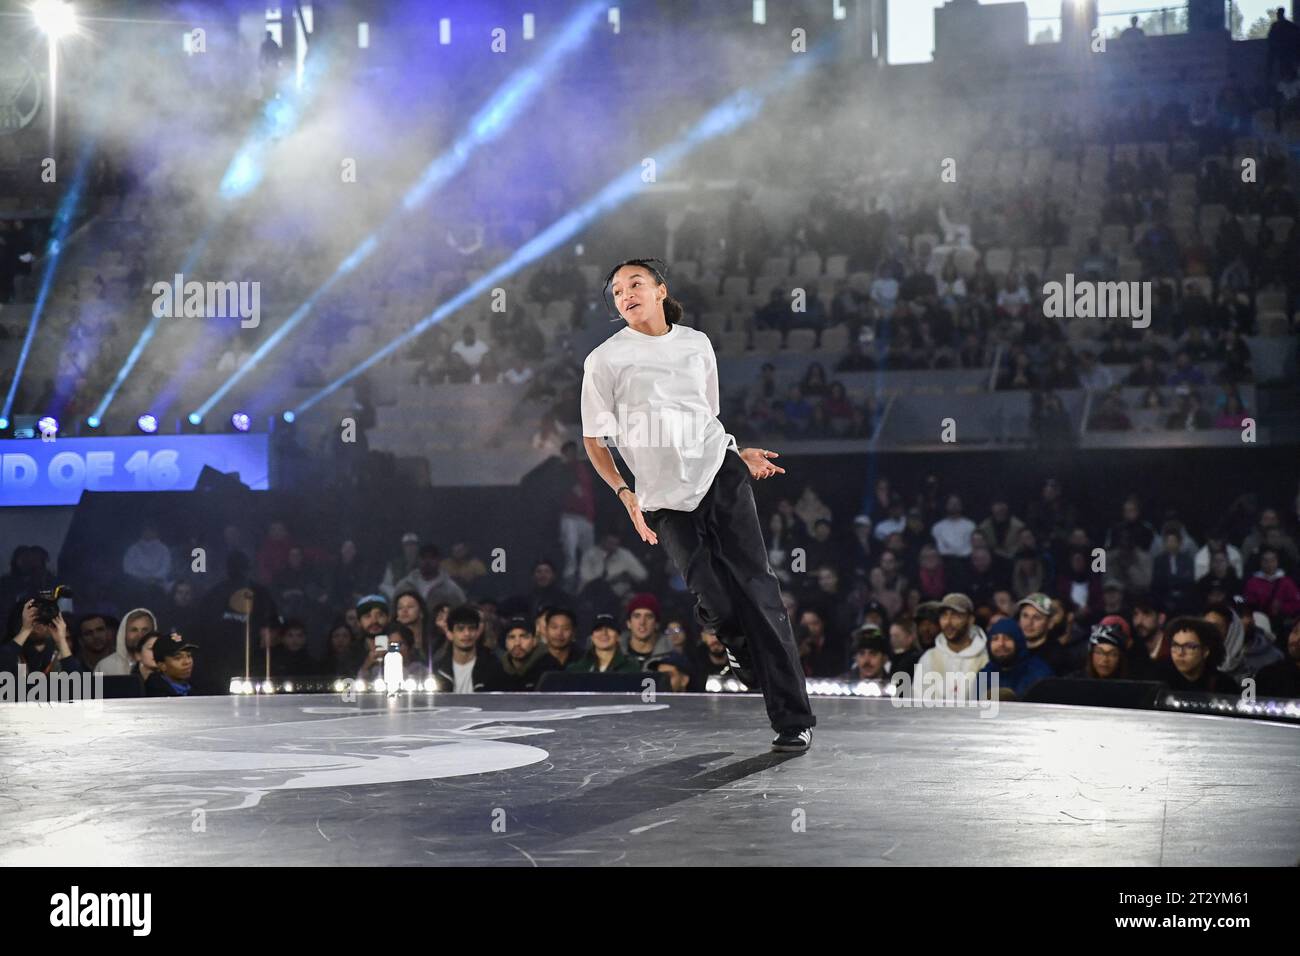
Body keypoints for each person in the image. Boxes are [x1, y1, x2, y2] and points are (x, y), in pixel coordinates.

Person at [581, 258, 815, 753]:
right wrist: (625, 494)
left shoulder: (696, 344)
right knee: (713, 595)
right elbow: (595, 441)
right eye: (617, 291)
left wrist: (734, 453)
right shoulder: (605, 360)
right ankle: (737, 648)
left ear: (661, 290)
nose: (625, 294)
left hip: (720, 474)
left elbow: (706, 416)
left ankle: (792, 720)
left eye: (636, 283)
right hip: (662, 498)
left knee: (760, 591)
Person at [914, 593, 989, 701]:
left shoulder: (984, 658)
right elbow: (918, 699)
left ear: (970, 620)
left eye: (955, 616)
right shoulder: (929, 658)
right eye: (944, 615)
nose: (948, 622)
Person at [1155, 617, 1242, 694]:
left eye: (1189, 646)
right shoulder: (1156, 680)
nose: (1180, 653)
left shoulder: (1224, 685)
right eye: (1175, 645)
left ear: (1205, 651)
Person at [430, 605, 506, 692]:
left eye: (471, 628)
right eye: (460, 629)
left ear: (478, 632)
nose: (467, 633)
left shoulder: (493, 667)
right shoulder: (438, 669)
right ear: (450, 634)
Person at [499, 614, 562, 691]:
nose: (517, 643)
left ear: (534, 640)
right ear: (505, 642)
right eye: (511, 637)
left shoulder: (550, 668)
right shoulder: (497, 668)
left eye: (524, 636)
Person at [568, 613, 642, 674]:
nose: (604, 633)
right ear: (592, 637)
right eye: (598, 629)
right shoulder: (576, 670)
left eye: (610, 629)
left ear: (618, 636)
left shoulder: (631, 668)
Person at [95, 607, 157, 676]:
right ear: (123, 633)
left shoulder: (165, 664)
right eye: (134, 630)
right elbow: (95, 687)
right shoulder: (103, 666)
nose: (140, 635)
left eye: (145, 630)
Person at [145, 632, 198, 697]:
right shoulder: (154, 696)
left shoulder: (196, 688)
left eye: (189, 656)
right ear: (162, 666)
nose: (187, 662)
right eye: (178, 658)